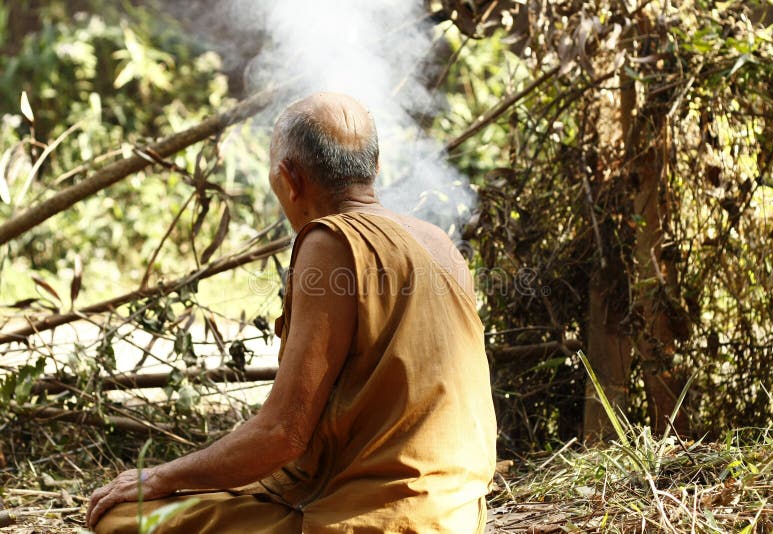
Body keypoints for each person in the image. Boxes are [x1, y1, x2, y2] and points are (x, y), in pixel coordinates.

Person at [86, 92, 497, 533]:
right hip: (457, 512)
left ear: (289, 179)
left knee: (122, 518)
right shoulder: (438, 241)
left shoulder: (330, 241)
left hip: (377, 518)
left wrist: (161, 476)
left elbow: (283, 434)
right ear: (376, 168)